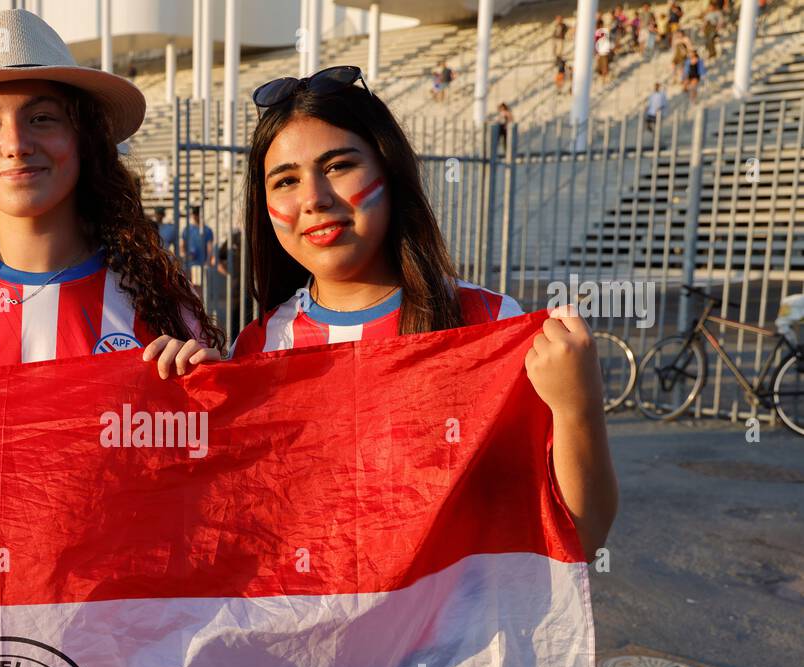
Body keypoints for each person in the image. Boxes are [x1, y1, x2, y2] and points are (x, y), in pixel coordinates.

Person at [233, 65, 617, 555]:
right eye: (285, 180)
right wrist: (176, 396)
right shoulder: (258, 348)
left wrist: (577, 407)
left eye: (338, 166)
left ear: (389, 173)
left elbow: (581, 536)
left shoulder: (491, 324)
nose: (314, 199)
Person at [0, 9, 222, 381]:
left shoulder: (161, 304)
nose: (15, 144)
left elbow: (203, 434)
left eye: (41, 118)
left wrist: (211, 393)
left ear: (83, 136)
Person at [180, 205, 216, 294]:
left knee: (198, 288)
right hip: (188, 263)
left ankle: (199, 306)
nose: (195, 216)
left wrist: (208, 260)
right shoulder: (187, 229)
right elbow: (182, 245)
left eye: (196, 214)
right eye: (193, 214)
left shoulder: (207, 230)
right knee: (189, 287)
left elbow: (209, 246)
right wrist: (184, 255)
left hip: (199, 263)